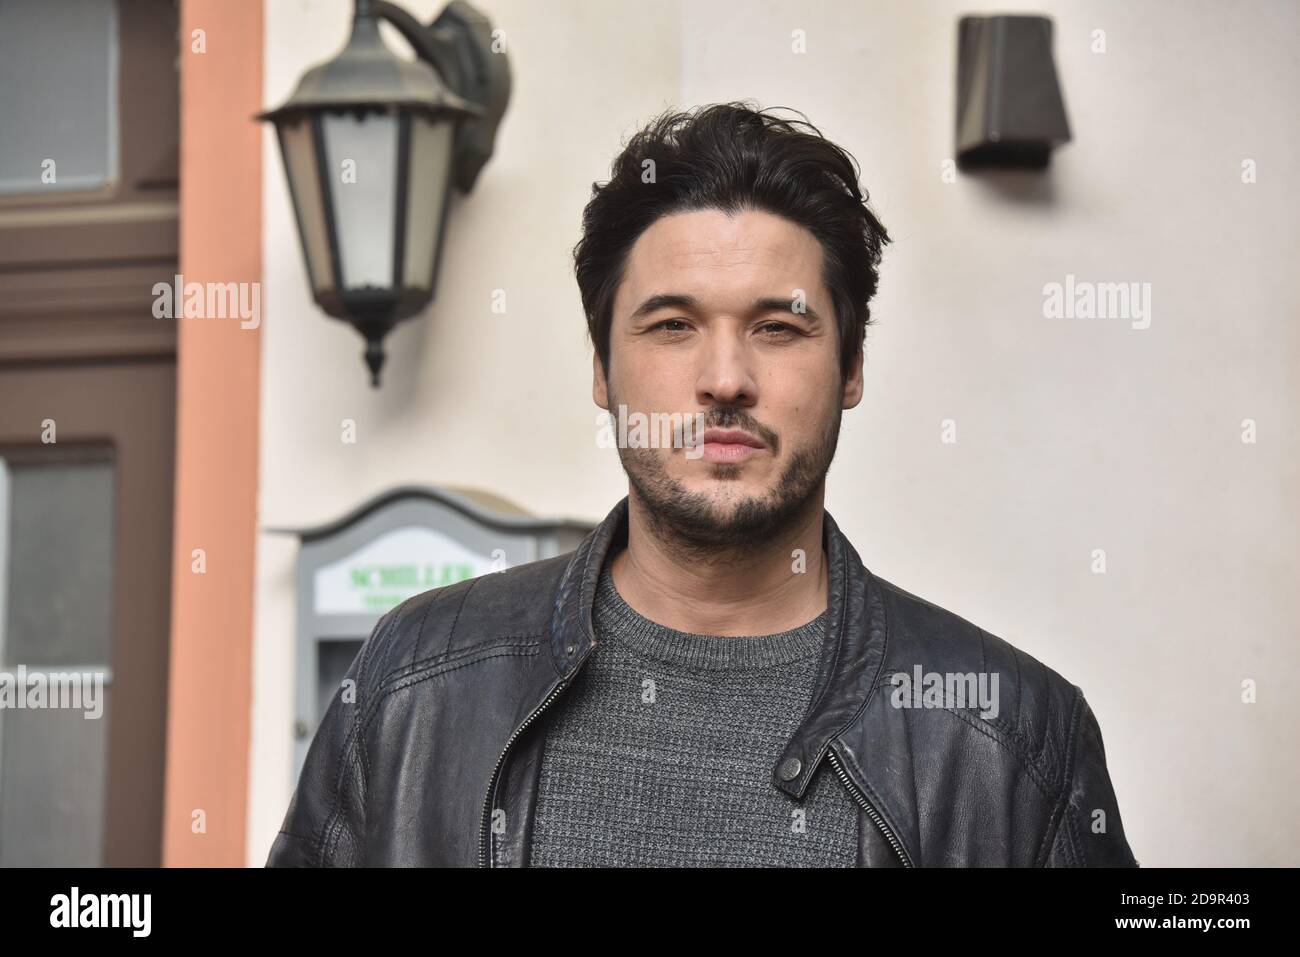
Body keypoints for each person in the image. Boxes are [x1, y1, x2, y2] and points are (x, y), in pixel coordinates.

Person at [267, 102, 1136, 868]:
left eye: (779, 326)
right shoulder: (416, 682)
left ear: (852, 366)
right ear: (604, 369)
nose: (726, 377)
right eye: (674, 325)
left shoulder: (1011, 735)